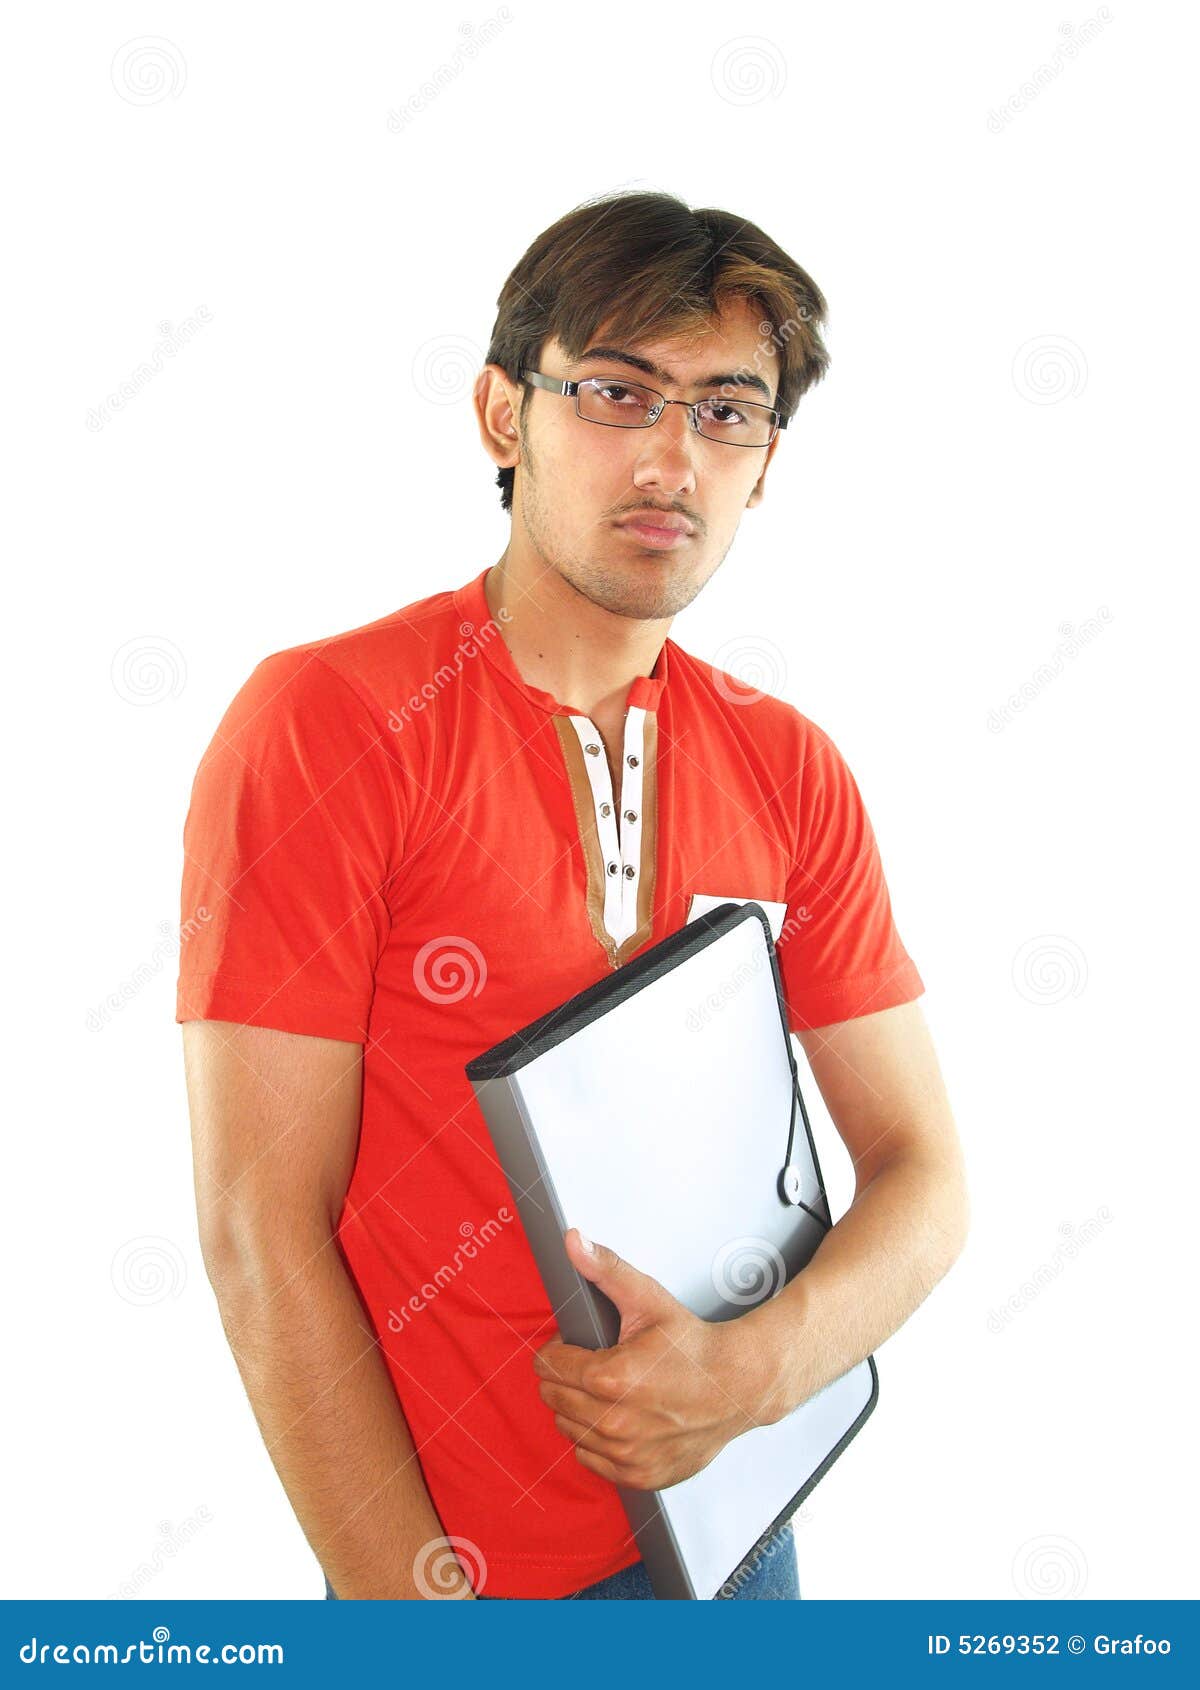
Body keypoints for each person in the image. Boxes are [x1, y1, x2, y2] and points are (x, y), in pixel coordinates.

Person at [177, 189, 969, 1602]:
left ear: (765, 466)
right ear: (503, 414)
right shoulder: (330, 723)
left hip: (742, 1539)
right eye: (617, 391)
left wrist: (750, 1374)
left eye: (727, 411)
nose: (673, 457)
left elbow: (925, 1173)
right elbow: (260, 1235)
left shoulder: (792, 768)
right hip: (455, 1584)